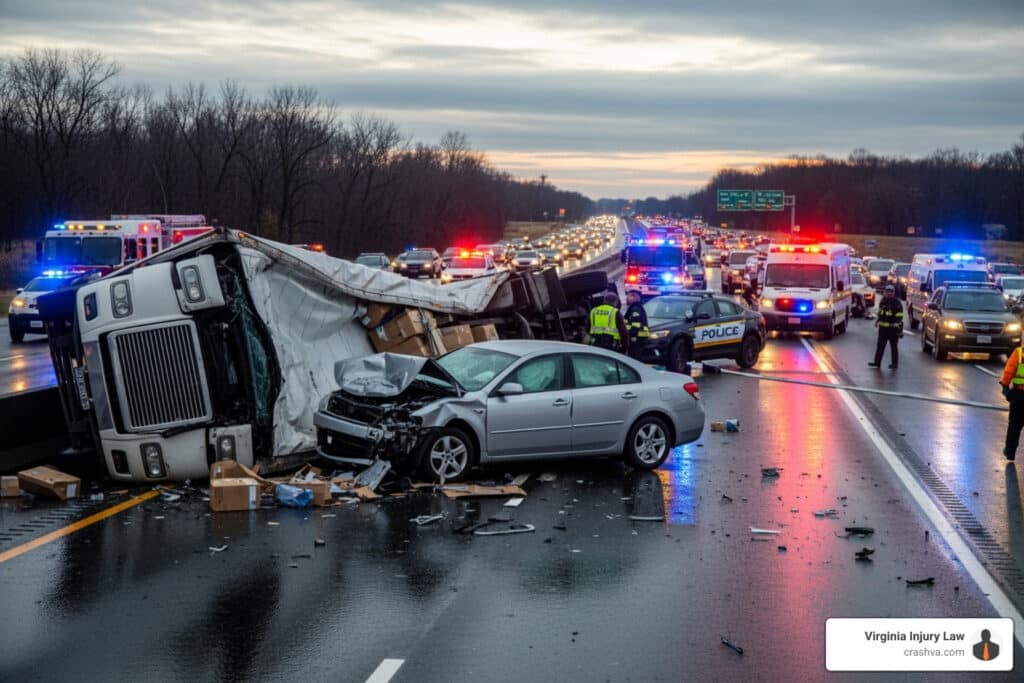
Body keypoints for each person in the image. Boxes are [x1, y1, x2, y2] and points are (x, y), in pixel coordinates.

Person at [999, 343, 1024, 461]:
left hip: (1020, 394)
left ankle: (1010, 451)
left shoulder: (1019, 353)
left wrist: (1005, 385)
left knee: (1015, 424)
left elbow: (1009, 370)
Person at [868, 284, 903, 369]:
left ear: (894, 293)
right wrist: (878, 320)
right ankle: (877, 362)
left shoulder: (897, 302)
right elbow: (880, 312)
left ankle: (894, 364)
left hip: (892, 329)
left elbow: (899, 315)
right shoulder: (883, 301)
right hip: (883, 329)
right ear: (885, 292)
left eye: (891, 292)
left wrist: (898, 327)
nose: (889, 293)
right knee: (880, 346)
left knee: (893, 347)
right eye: (887, 291)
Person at [623, 289, 650, 359]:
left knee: (634, 359)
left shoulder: (635, 309)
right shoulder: (635, 308)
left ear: (633, 297)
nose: (626, 298)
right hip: (638, 338)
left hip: (637, 339)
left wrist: (632, 338)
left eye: (628, 296)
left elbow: (636, 325)